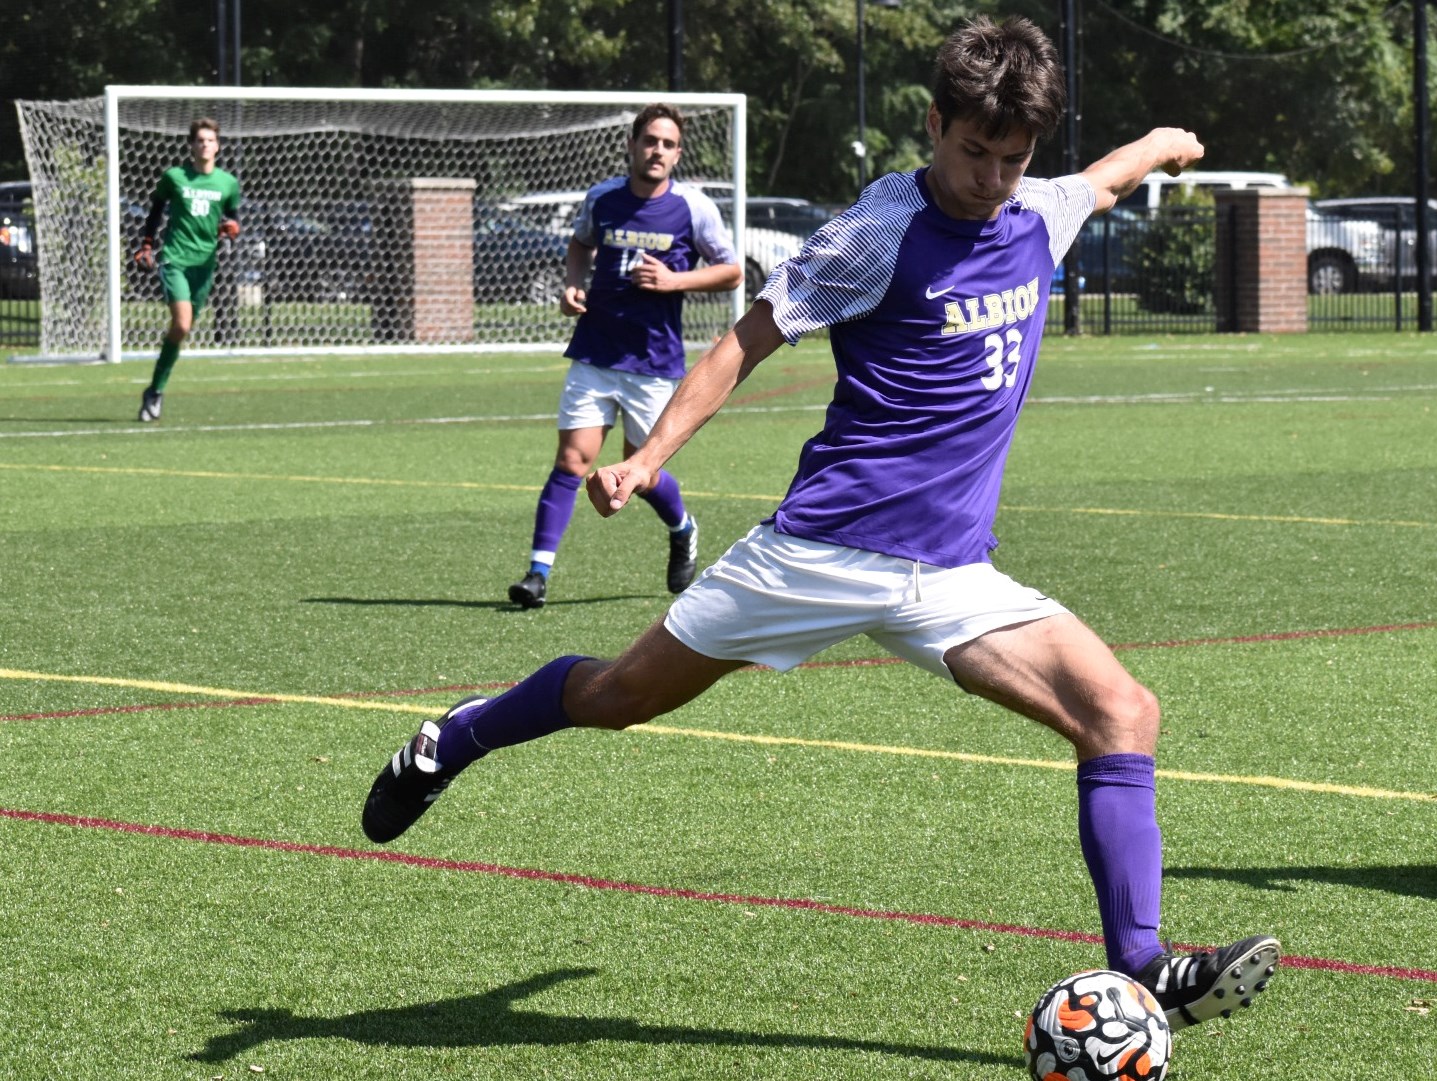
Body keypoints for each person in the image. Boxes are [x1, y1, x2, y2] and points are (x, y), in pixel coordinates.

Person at [364, 15, 1280, 1028]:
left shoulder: (1037, 211)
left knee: (1123, 714)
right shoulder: (877, 233)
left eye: (1011, 159)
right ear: (935, 124)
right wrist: (644, 460)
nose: (989, 177)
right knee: (621, 695)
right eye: (972, 152)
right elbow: (740, 347)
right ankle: (457, 736)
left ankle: (1143, 963)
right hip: (820, 552)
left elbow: (1098, 182)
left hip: (951, 575)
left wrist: (1163, 144)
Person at [508, 104, 739, 608]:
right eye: (650, 140)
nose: (657, 150)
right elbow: (579, 244)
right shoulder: (603, 198)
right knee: (573, 460)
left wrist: (675, 280)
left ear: (678, 154)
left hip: (653, 362)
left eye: (668, 144)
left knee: (642, 473)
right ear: (632, 146)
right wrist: (573, 286)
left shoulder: (693, 208)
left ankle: (682, 527)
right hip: (595, 351)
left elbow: (731, 271)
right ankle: (537, 575)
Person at [133, 117, 241, 423]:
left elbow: (232, 217)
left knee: (183, 331)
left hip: (205, 265)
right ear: (191, 145)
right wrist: (146, 244)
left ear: (217, 146)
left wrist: (232, 227)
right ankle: (155, 394)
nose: (205, 145)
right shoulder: (175, 177)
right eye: (200, 140)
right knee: (180, 325)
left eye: (210, 140)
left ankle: (154, 389)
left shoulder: (227, 183)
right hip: (174, 260)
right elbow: (156, 209)